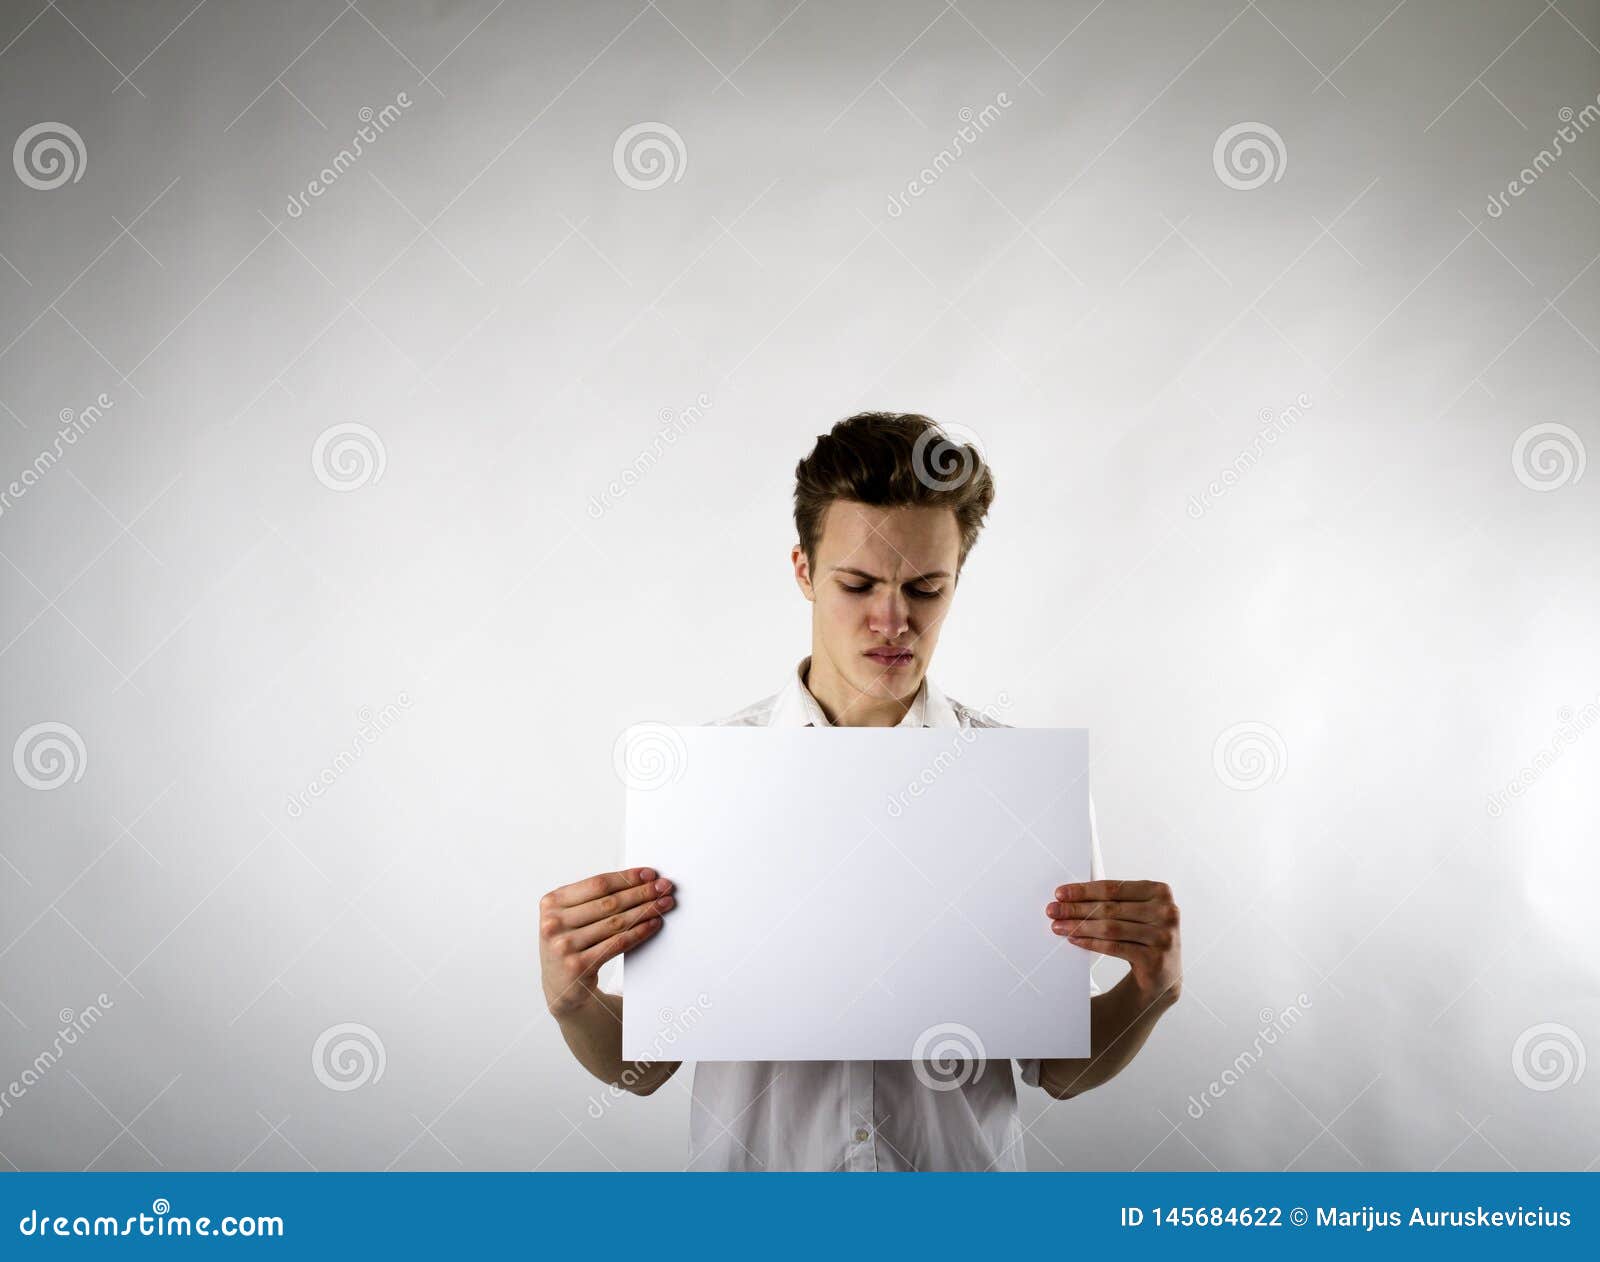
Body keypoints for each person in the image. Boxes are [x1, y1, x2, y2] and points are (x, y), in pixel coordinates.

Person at [538, 411, 1182, 1170]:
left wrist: (1148, 994)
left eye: (926, 588)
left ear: (956, 582)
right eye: (858, 583)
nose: (893, 620)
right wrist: (574, 1001)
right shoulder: (701, 781)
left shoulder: (1018, 786)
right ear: (805, 572)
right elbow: (644, 1069)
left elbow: (1059, 1071)